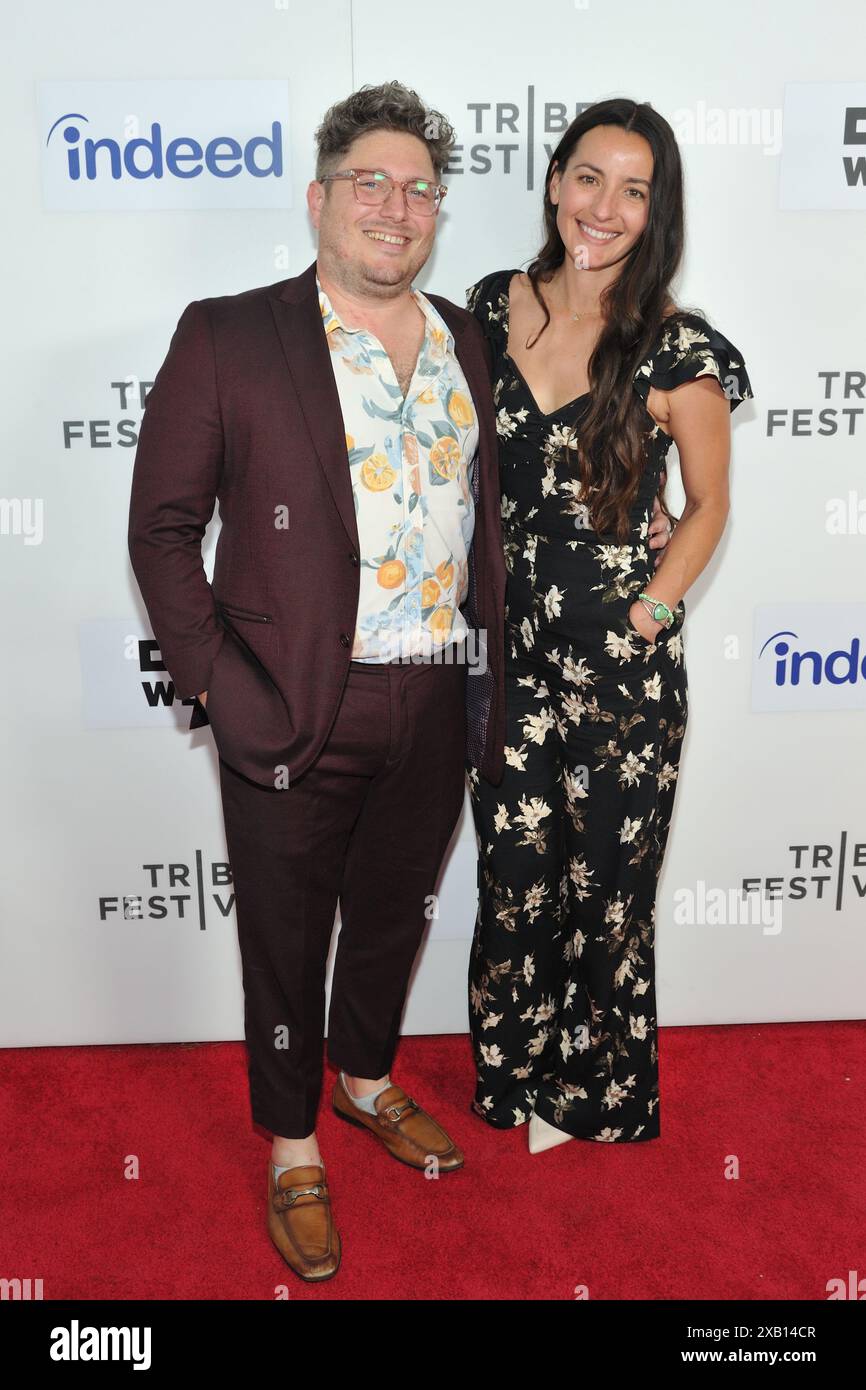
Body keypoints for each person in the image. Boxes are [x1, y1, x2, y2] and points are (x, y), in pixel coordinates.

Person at [128, 82, 671, 1282]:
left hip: (438, 697)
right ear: (319, 199)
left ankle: (365, 1078)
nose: (396, 205)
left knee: (392, 916)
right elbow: (161, 529)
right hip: (290, 701)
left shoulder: (465, 339)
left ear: (437, 213)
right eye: (369, 182)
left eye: (419, 188)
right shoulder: (228, 333)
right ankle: (289, 1145)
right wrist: (224, 686)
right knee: (283, 936)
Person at [464, 98, 753, 1154]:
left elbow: (708, 503)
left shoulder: (677, 348)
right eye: (589, 177)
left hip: (621, 669)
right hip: (503, 654)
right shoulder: (488, 308)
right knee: (514, 878)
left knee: (608, 887)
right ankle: (509, 1074)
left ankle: (600, 1092)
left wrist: (645, 609)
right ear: (552, 182)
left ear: (654, 211)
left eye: (634, 189)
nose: (605, 207)